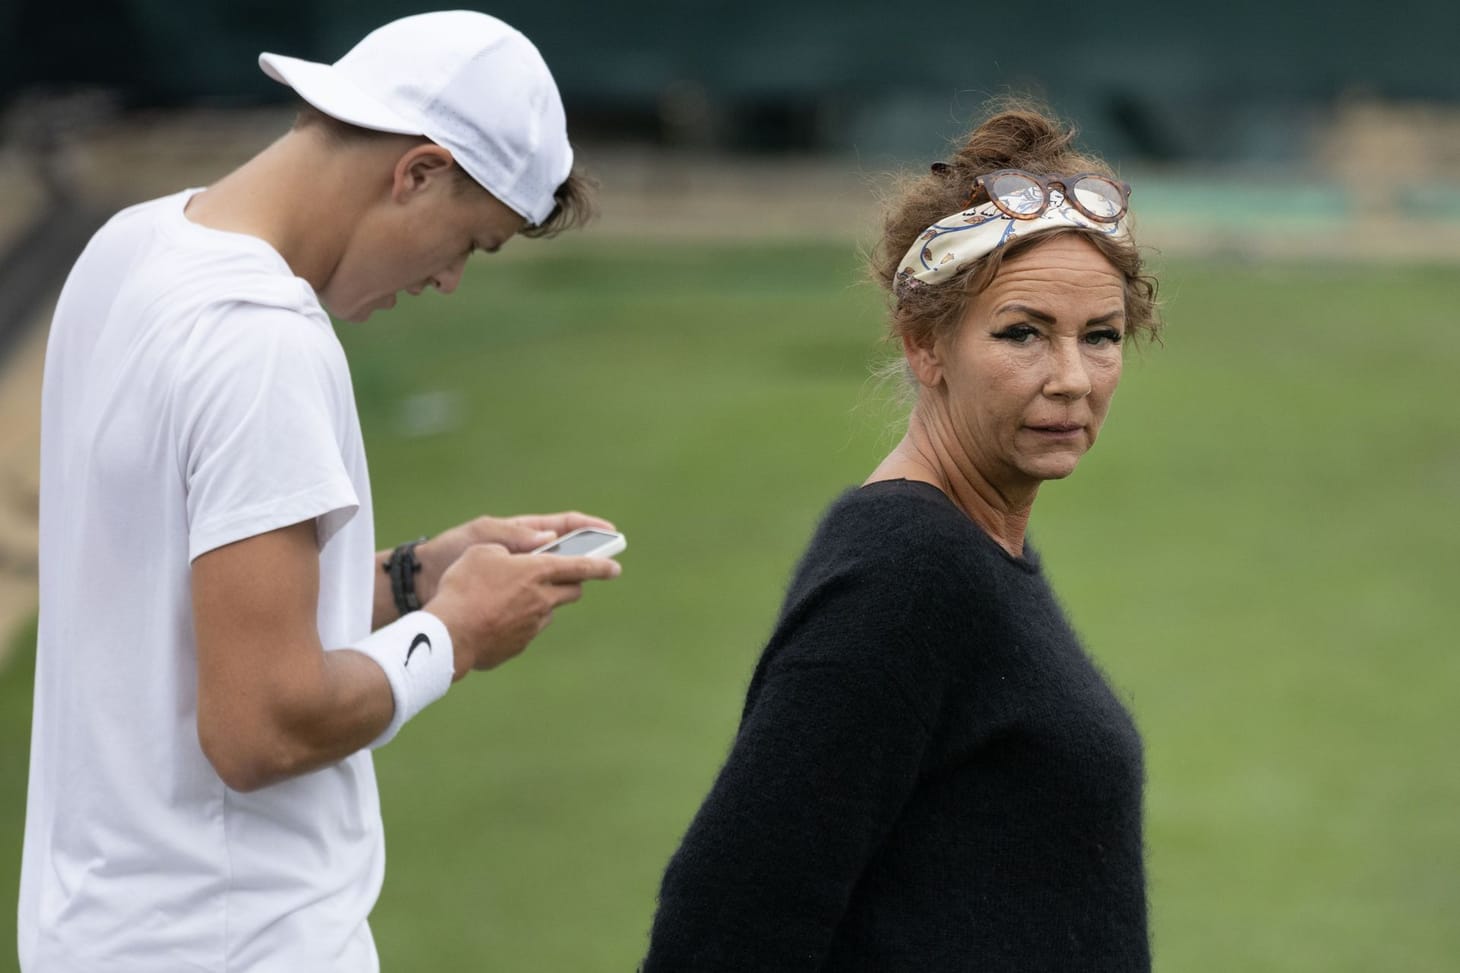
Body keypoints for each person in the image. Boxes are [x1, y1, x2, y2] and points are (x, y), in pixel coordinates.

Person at [18, 11, 621, 972]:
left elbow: (181, 606)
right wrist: (455, 636)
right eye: (471, 241)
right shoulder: (264, 340)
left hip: (98, 933)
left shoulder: (125, 251)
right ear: (417, 171)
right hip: (233, 944)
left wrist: (422, 574)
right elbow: (260, 723)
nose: (450, 281)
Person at [642, 102, 1161, 971]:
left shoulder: (971, 546)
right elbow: (728, 916)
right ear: (926, 345)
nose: (1073, 378)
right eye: (1023, 333)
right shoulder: (906, 570)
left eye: (1100, 337)